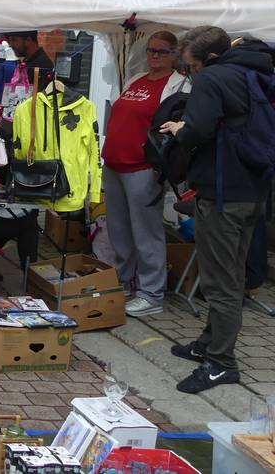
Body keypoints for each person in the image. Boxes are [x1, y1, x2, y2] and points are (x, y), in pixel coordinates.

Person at [160, 26, 275, 394]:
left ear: (208, 59)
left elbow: (197, 132)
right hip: (253, 191)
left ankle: (221, 363)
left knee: (220, 283)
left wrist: (180, 129)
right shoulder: (256, 72)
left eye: (191, 67)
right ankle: (208, 343)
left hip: (222, 194)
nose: (190, 73)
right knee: (232, 274)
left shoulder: (213, 78)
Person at [102, 32, 189, 317]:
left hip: (142, 167)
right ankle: (124, 281)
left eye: (162, 51)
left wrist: (160, 167)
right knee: (118, 230)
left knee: (146, 232)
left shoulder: (179, 84)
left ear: (174, 54)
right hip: (114, 164)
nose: (154, 56)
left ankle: (151, 293)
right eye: (151, 50)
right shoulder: (136, 79)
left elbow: (175, 130)